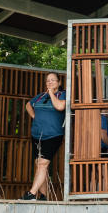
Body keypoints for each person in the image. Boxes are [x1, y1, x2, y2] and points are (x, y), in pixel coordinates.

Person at [23, 72, 66, 200]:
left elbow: (59, 106)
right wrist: (35, 116)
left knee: (42, 164)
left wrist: (51, 93)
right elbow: (28, 105)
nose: (50, 82)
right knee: (39, 165)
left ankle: (31, 194)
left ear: (59, 83)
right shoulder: (40, 96)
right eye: (48, 81)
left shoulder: (62, 94)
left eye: (53, 80)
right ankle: (43, 196)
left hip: (53, 135)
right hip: (37, 134)